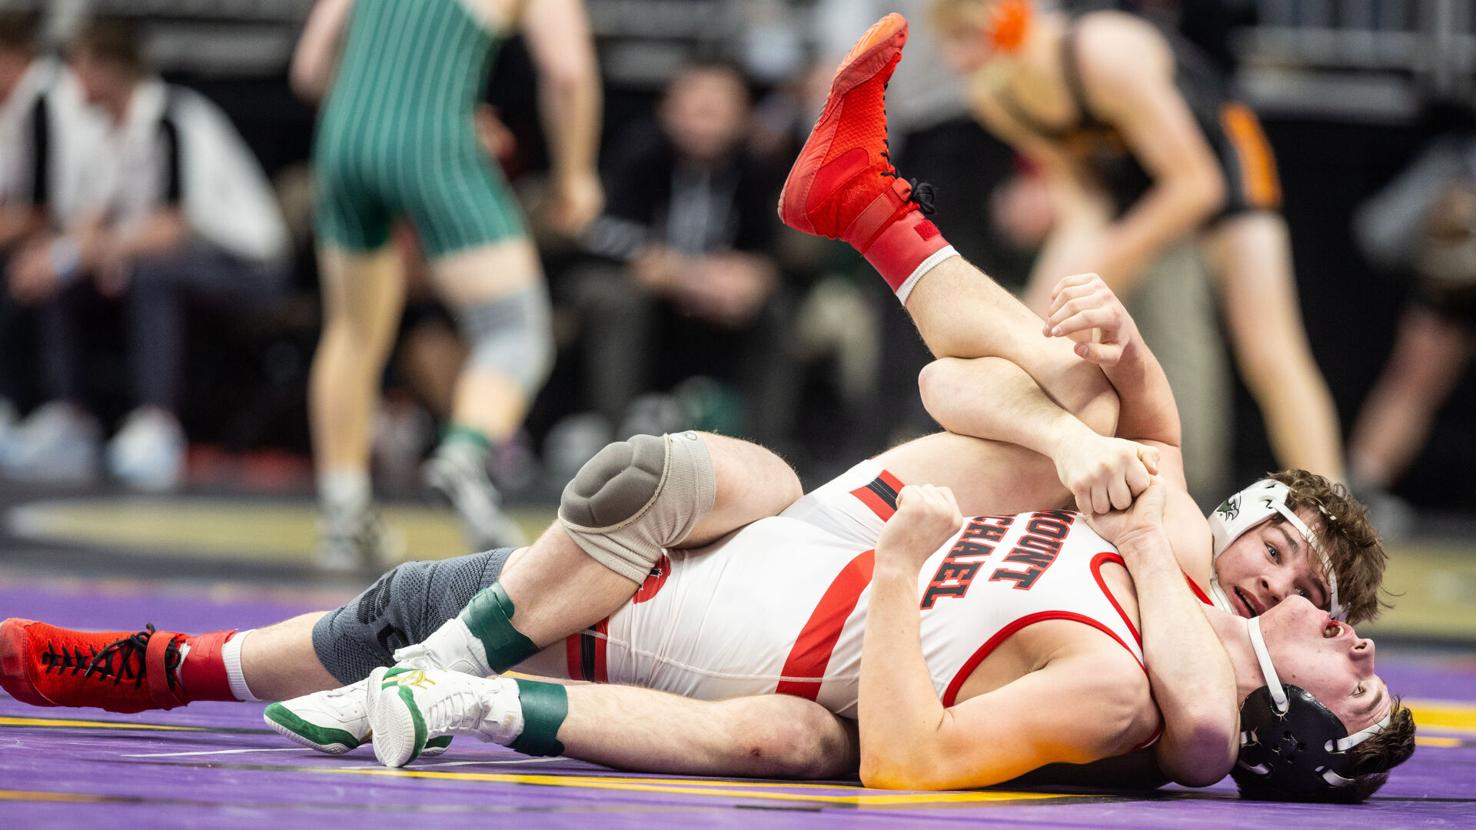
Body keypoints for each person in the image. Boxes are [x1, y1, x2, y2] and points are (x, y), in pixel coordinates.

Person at [0, 14, 1409, 800]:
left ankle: (364, 670)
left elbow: (942, 756)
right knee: (1065, 395)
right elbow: (997, 402)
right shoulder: (1159, 544)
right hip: (813, 556)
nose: (1337, 622)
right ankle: (868, 210)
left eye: (1342, 643)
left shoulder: (1158, 677)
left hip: (794, 619)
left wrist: (953, 540)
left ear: (1295, 706)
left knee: (450, 580)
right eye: (1293, 561)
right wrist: (1081, 425)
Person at [928, 0, 1346, 485]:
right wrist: (1042, 310)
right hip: (1138, 184)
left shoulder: (1102, 52)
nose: (958, 62)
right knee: (1038, 321)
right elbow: (1083, 202)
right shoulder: (996, 100)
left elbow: (1199, 184)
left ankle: (1335, 516)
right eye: (949, 46)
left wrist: (1108, 261)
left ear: (1008, 23)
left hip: (1220, 163)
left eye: (966, 40)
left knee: (1270, 350)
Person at [291, 0, 602, 568]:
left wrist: (387, 108)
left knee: (352, 332)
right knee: (516, 330)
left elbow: (310, 70)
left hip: (341, 141)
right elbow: (568, 73)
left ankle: (342, 516)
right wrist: (575, 177)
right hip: (433, 145)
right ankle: (464, 454)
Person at [4, 16, 290, 490]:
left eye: (79, 67)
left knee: (151, 275)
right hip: (182, 265)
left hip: (251, 270)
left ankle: (157, 425)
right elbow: (95, 218)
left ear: (109, 68)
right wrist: (55, 258)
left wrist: (83, 253)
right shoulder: (109, 133)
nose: (71, 83)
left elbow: (171, 229)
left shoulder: (171, 116)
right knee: (61, 278)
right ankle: (69, 418)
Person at [574, 60, 794, 448]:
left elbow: (774, 245)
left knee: (777, 309)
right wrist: (680, 273)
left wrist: (756, 276)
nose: (703, 123)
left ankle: (769, 452)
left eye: (716, 111)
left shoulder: (759, 168)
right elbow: (601, 232)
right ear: (668, 110)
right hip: (648, 293)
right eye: (695, 109)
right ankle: (614, 445)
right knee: (613, 298)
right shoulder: (638, 153)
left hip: (726, 303)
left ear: (742, 116)